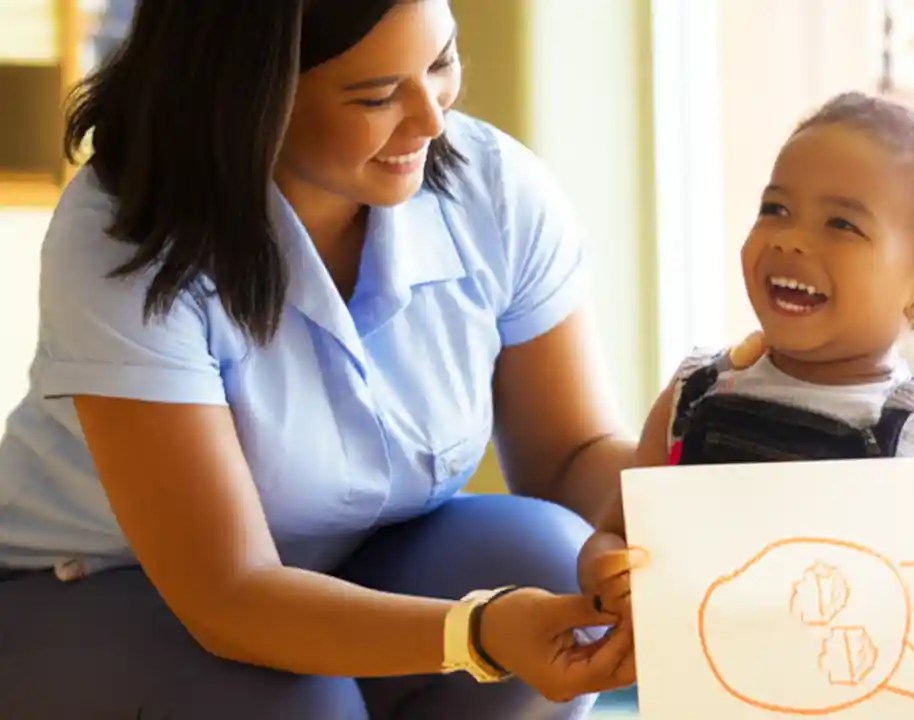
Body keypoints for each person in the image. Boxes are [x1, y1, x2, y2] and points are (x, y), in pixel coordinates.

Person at [0, 1, 765, 717]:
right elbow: (229, 594)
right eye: (375, 97)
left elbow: (568, 460)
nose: (433, 118)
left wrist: (697, 499)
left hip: (351, 560)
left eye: (442, 61)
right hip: (97, 588)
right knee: (303, 700)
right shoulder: (125, 241)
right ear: (252, 100)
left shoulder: (492, 187)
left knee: (551, 565)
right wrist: (478, 633)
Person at [579, 92, 914, 633]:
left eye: (842, 225)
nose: (791, 240)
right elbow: (615, 530)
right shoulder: (698, 393)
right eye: (775, 209)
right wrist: (604, 567)